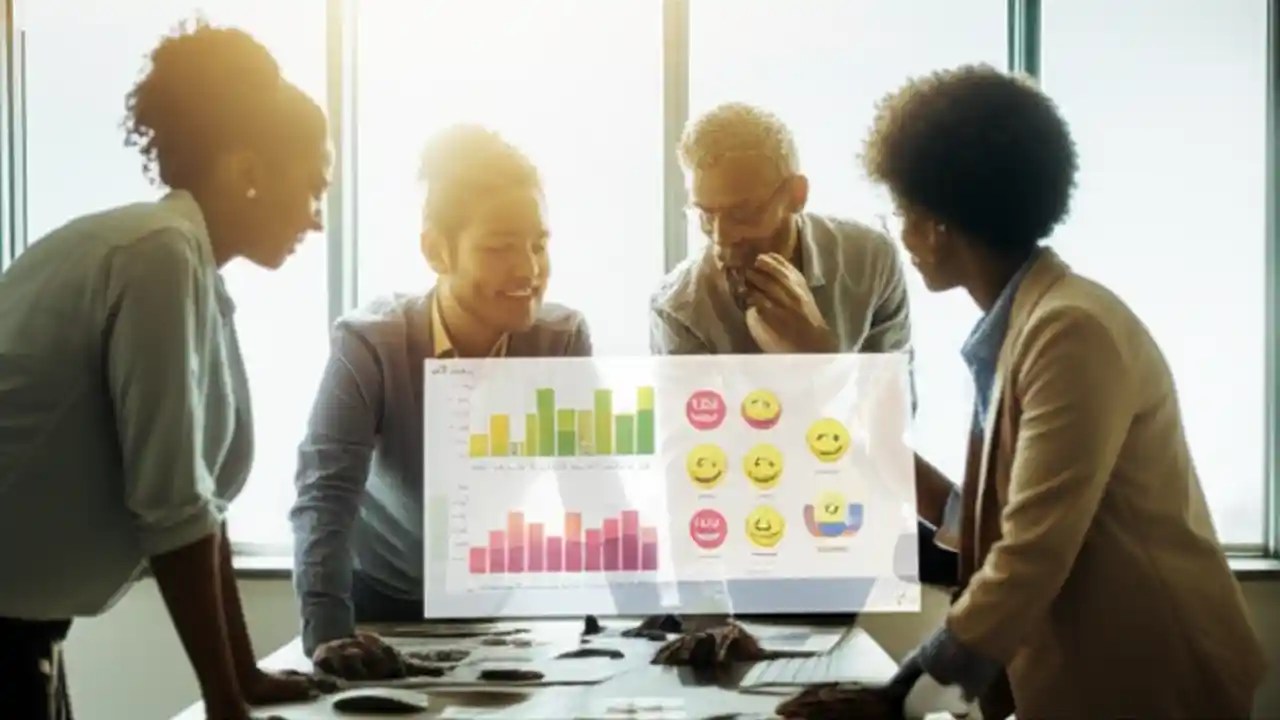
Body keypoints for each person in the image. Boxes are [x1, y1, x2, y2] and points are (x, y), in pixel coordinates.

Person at [859, 64, 1267, 718]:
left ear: (937, 222)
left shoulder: (1069, 331)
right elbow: (1017, 519)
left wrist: (898, 700)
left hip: (1156, 681)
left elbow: (1033, 551)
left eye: (902, 211)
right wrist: (884, 461)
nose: (901, 234)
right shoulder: (1024, 326)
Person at [0, 20, 331, 720]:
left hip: (29, 633)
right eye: (313, 187)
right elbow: (172, 503)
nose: (317, 218)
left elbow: (197, 508)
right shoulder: (157, 256)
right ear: (246, 173)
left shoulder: (179, 260)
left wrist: (241, 678)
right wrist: (224, 702)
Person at [290, 125, 596, 676]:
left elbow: (592, 488)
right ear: (436, 250)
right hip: (375, 608)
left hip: (493, 609)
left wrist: (668, 622)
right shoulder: (370, 344)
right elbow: (324, 497)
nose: (528, 269)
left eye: (538, 244)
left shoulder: (562, 339)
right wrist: (329, 636)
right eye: (500, 248)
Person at [649, 101, 957, 592]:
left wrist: (817, 358)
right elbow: (693, 471)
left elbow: (890, 431)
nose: (723, 240)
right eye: (705, 217)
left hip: (863, 509)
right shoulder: (681, 308)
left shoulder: (869, 261)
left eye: (743, 213)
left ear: (796, 194)